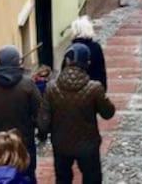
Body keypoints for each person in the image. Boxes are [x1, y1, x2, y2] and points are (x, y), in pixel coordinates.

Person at [38, 43, 116, 184]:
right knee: (92, 179)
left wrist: (49, 132)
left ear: (67, 62)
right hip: (88, 145)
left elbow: (43, 123)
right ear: (87, 63)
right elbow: (108, 113)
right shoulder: (94, 88)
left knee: (63, 179)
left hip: (61, 144)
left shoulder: (51, 88)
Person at [0, 46, 41, 182]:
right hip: (24, 142)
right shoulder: (28, 85)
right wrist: (33, 129)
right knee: (27, 176)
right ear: (17, 61)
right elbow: (39, 112)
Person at [70, 16, 107, 90]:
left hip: (73, 90)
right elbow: (101, 72)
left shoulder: (71, 49)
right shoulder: (96, 47)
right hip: (93, 89)